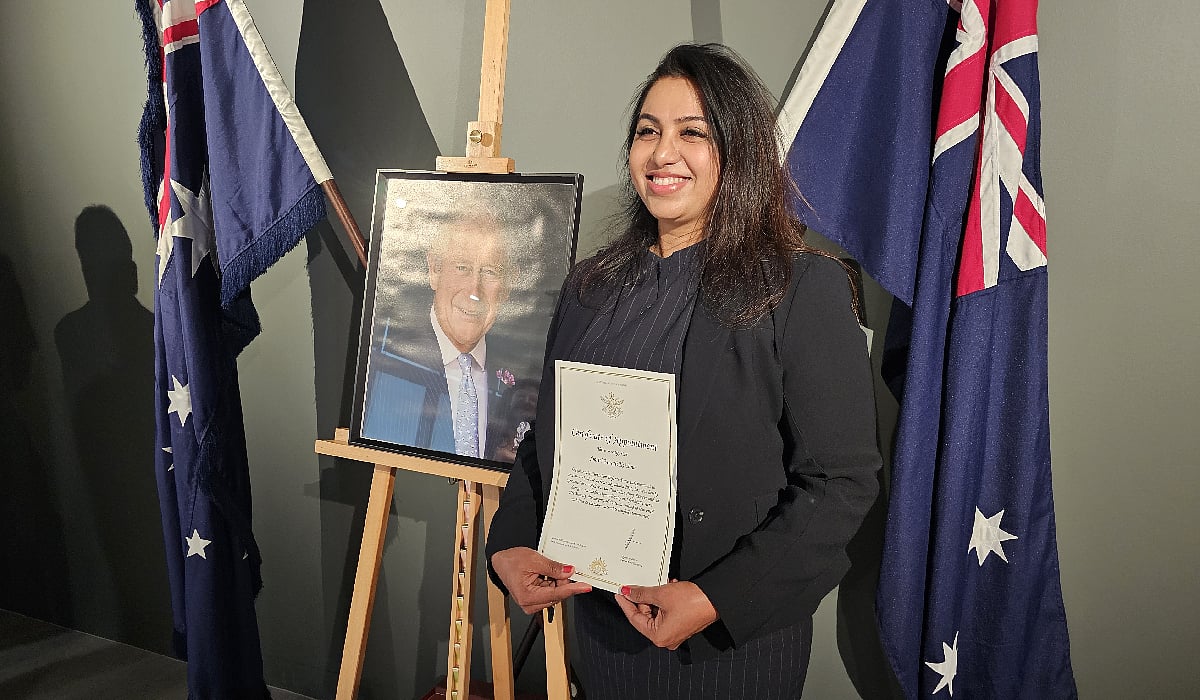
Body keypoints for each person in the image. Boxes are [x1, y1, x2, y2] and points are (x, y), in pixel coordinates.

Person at [485, 43, 881, 697]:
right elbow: (546, 437)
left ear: (739, 150)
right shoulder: (590, 286)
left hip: (728, 646)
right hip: (607, 631)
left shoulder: (798, 288)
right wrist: (512, 542)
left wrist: (717, 598)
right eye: (648, 132)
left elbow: (841, 484)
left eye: (692, 133)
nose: (662, 153)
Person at [361, 212, 522, 460]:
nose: (474, 291)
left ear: (508, 286)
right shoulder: (383, 357)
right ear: (434, 269)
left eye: (490, 272)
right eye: (462, 267)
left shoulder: (522, 382)